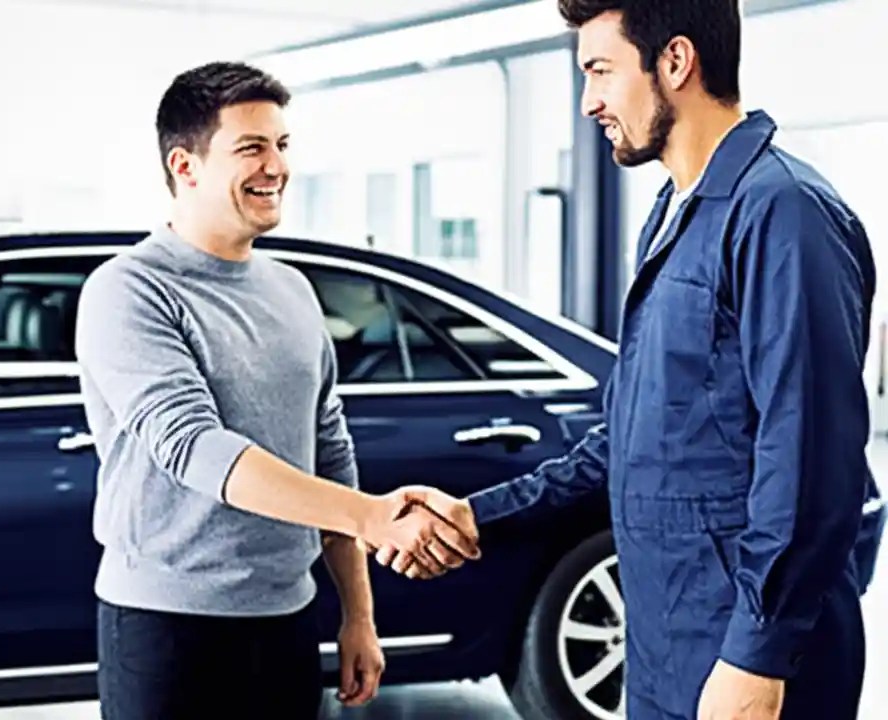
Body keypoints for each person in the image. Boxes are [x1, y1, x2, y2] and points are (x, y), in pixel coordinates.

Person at [379, 1, 877, 718]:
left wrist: (757, 656)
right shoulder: (675, 213)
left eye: (601, 71)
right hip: (662, 642)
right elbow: (630, 438)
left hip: (747, 657)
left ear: (675, 62)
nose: (589, 102)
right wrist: (478, 516)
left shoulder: (782, 213)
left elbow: (810, 458)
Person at [73, 61, 479, 720]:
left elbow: (329, 451)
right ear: (186, 165)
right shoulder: (130, 291)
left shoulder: (291, 289)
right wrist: (373, 517)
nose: (276, 166)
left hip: (288, 619)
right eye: (251, 148)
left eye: (282, 145)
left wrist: (358, 614)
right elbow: (195, 448)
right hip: (168, 628)